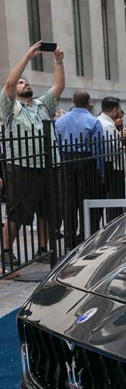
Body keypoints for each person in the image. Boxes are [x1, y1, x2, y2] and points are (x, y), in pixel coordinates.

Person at [0, 41, 65, 267]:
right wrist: (28, 57)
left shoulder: (41, 105)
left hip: (48, 164)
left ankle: (43, 248)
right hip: (21, 165)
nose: (24, 83)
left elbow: (59, 86)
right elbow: (9, 83)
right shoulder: (9, 107)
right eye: (21, 82)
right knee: (17, 212)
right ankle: (6, 250)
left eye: (26, 81)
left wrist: (58, 61)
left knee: (47, 210)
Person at [55, 90, 104, 247]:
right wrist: (100, 170)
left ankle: (69, 239)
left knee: (69, 200)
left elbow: (58, 144)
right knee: (86, 199)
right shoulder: (93, 121)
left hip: (67, 160)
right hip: (86, 160)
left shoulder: (60, 121)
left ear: (72, 101)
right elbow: (98, 149)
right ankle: (85, 236)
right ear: (88, 103)